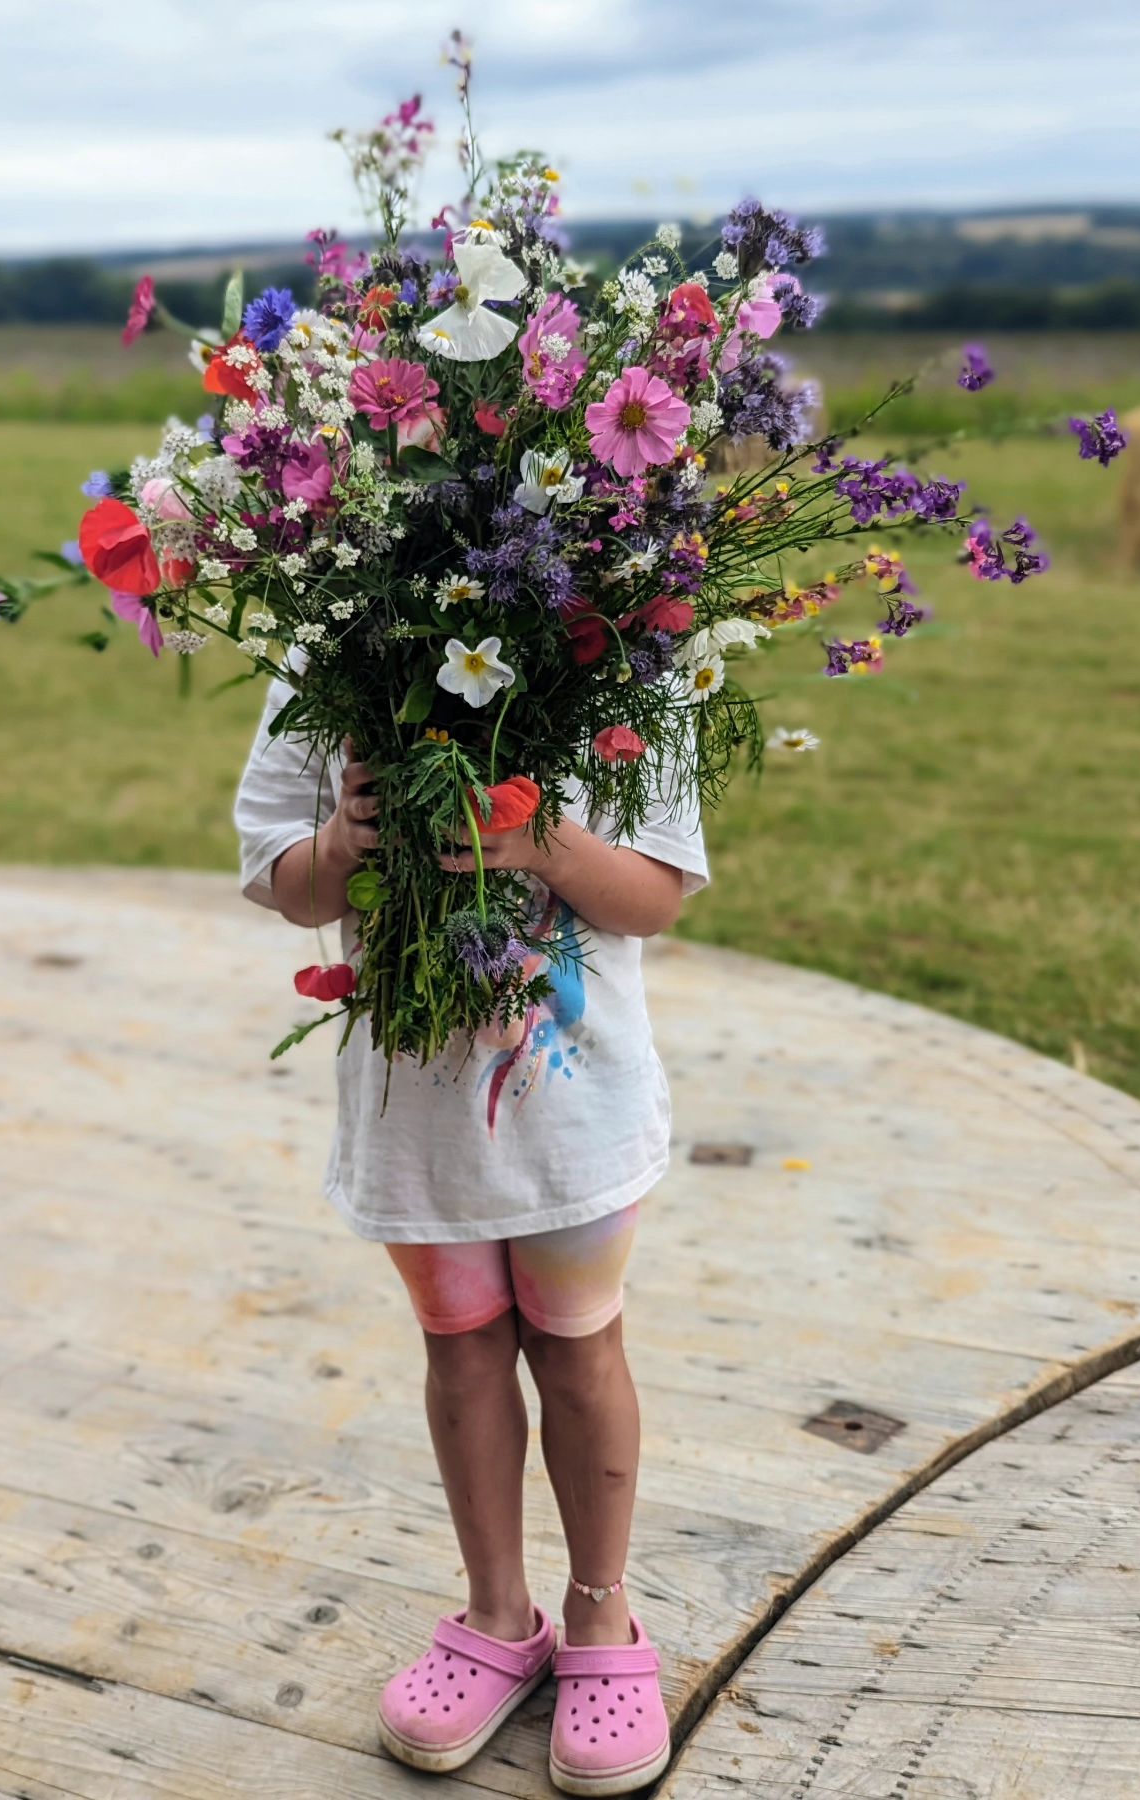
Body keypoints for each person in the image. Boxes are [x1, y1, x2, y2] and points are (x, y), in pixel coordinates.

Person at [234, 649, 708, 1795]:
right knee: (463, 1349)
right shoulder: (330, 658)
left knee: (579, 1349)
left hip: (572, 1111)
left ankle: (601, 1617)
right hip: (420, 1115)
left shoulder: (629, 644)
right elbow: (281, 878)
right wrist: (346, 844)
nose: (440, 451)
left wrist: (543, 839)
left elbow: (660, 893)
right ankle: (498, 1612)